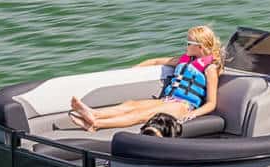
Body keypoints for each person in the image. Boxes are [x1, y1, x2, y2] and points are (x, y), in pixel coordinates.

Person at [68, 25, 223, 130]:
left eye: (188, 43)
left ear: (200, 47)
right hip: (168, 100)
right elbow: (155, 61)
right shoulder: (184, 60)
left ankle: (96, 124)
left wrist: (192, 115)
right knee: (131, 104)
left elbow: (211, 104)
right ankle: (93, 113)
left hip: (184, 105)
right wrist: (132, 71)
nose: (185, 46)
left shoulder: (210, 68)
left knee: (143, 115)